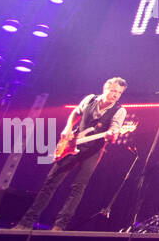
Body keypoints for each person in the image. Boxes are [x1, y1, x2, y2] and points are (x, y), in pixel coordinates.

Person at [15, 77, 128, 231]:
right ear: (105, 88)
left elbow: (114, 132)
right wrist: (68, 128)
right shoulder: (90, 99)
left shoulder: (120, 111)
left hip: (92, 151)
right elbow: (76, 112)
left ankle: (59, 227)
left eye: (119, 93)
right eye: (113, 91)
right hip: (72, 144)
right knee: (50, 182)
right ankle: (25, 223)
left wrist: (112, 135)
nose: (115, 95)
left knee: (77, 188)